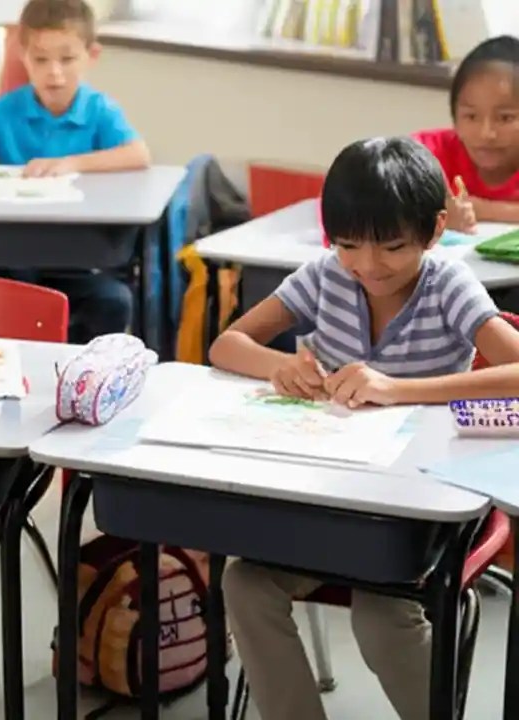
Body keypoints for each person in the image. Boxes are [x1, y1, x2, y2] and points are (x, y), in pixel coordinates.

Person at [209, 136, 519, 720]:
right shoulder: (327, 276)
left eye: (393, 246)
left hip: (420, 508)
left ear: (433, 230)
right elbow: (227, 343)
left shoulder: (447, 285)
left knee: (381, 615)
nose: (369, 266)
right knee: (245, 586)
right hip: (332, 493)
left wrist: (397, 389)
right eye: (349, 244)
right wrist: (282, 366)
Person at [0, 0, 149, 343]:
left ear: (92, 55)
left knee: (114, 301)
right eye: (41, 59)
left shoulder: (99, 110)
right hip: (7, 256)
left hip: (75, 261)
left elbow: (137, 154)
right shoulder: (4, 110)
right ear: (23, 56)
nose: (54, 73)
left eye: (67, 58)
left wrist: (71, 164)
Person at [413, 34, 519, 231]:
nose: (486, 133)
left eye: (505, 118)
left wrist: (483, 210)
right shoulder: (430, 152)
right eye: (471, 117)